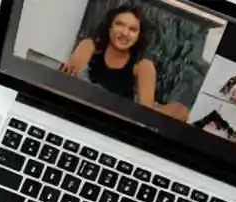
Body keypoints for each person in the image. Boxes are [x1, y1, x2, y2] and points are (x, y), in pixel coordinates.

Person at [61, 5, 189, 121]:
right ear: (110, 28)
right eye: (119, 24)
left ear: (139, 36)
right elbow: (67, 81)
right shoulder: (90, 46)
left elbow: (146, 113)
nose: (124, 33)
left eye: (132, 29)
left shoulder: (143, 65)